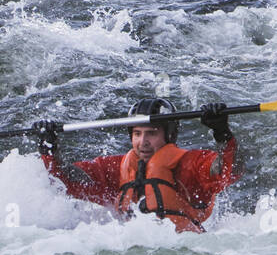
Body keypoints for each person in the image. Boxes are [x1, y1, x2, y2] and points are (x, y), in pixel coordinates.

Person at [33, 98, 240, 232]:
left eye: (152, 133)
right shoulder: (118, 167)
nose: (143, 142)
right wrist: (49, 149)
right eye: (137, 134)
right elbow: (65, 180)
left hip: (186, 250)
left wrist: (222, 132)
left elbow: (226, 171)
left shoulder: (190, 165)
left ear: (169, 135)